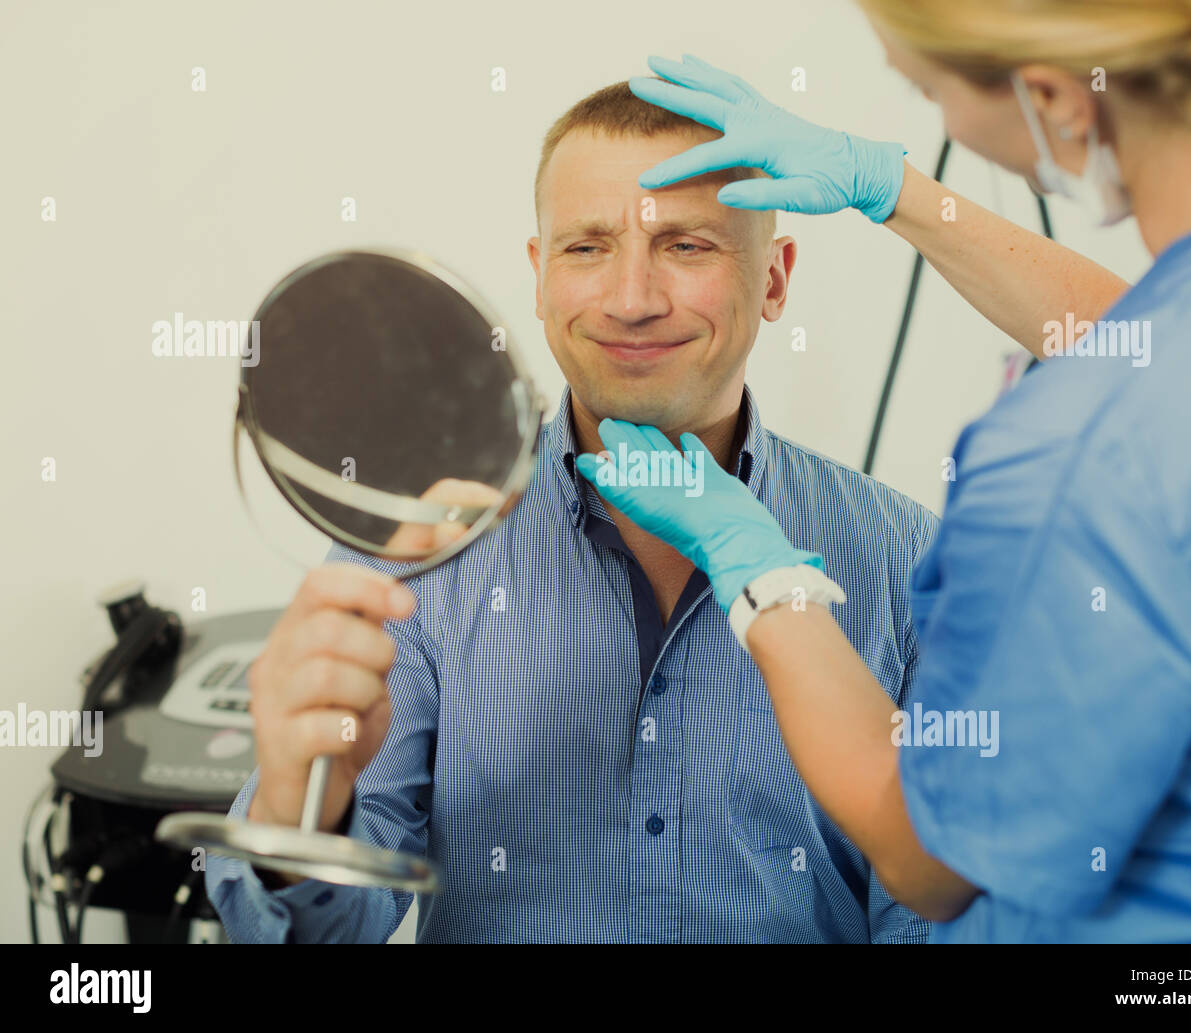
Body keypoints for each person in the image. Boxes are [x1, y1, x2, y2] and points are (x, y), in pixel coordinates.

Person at [578, 1, 1191, 942]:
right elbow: (1164, 352)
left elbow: (929, 859)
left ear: (1056, 99)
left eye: (928, 94)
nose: (634, 298)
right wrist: (893, 189)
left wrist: (754, 565)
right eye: (587, 246)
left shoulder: (1068, 458)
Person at [208, 81, 961, 943]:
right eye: (587, 248)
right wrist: (298, 813)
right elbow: (316, 931)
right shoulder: (414, 550)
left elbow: (942, 912)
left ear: (775, 279)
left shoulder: (909, 558)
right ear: (538, 276)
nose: (630, 298)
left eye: (684, 245)